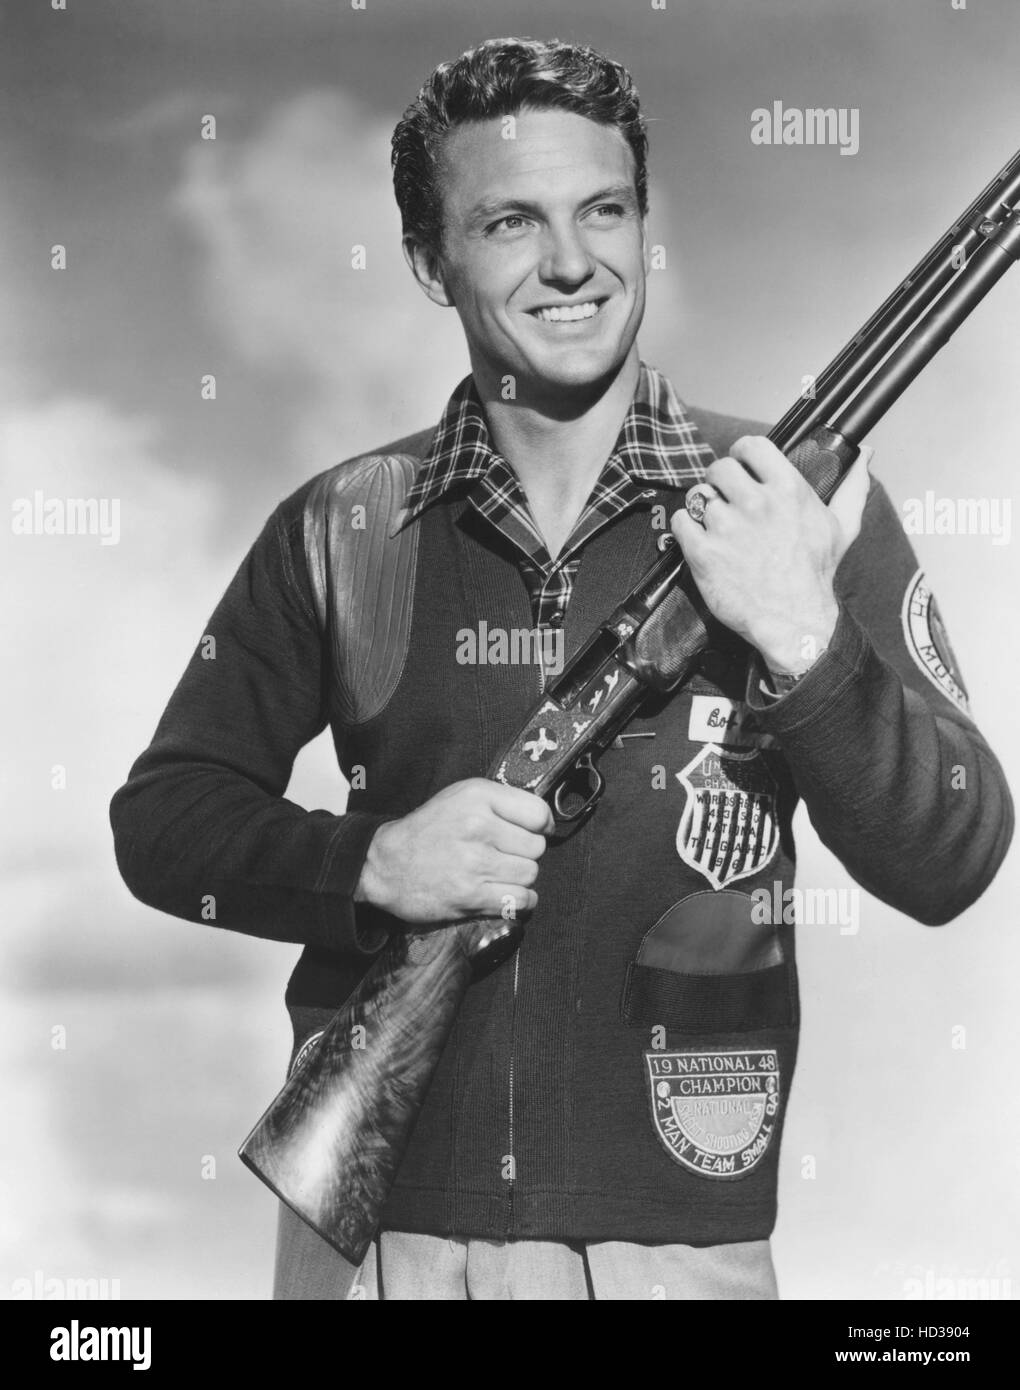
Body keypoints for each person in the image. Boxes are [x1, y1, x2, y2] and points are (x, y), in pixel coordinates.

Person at [109, 37, 1012, 1301]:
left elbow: (954, 856)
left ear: (645, 225)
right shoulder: (345, 524)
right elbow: (161, 824)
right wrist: (368, 863)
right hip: (376, 1246)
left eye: (605, 210)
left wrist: (803, 634)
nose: (575, 261)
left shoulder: (796, 504)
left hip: (678, 1260)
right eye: (511, 222)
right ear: (429, 261)